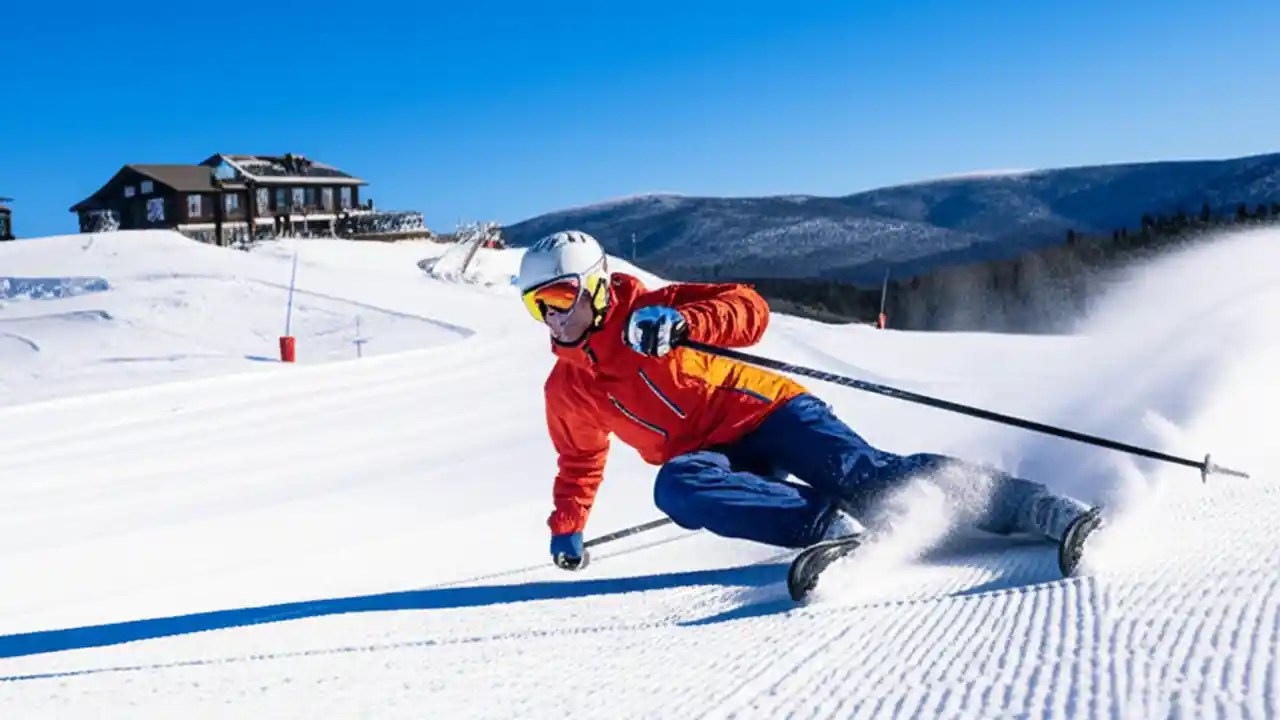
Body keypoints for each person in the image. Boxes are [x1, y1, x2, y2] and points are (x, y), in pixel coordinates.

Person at [516, 230, 1102, 576]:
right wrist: (567, 525)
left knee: (869, 477)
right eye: (537, 306)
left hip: (767, 412)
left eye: (562, 296)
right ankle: (830, 529)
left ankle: (1037, 507)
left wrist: (686, 321)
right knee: (677, 488)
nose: (554, 315)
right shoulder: (566, 391)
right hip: (711, 457)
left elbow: (750, 310)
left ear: (594, 285)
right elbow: (580, 463)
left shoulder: (656, 309)